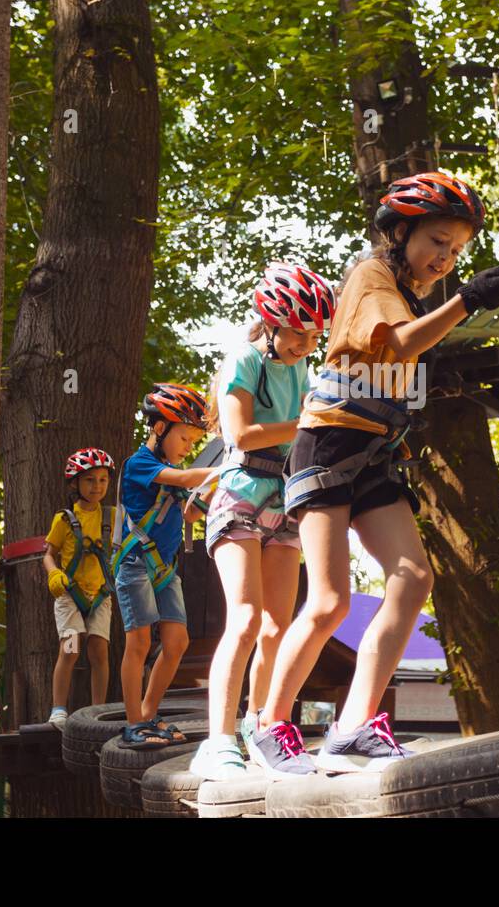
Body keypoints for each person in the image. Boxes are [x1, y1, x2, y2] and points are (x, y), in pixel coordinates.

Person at [250, 171, 499, 775]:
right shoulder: (372, 276)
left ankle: (352, 729)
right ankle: (269, 726)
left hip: (374, 452)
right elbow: (398, 346)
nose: (445, 258)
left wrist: (459, 314)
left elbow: (405, 359)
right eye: (437, 242)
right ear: (399, 232)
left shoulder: (410, 294)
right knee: (327, 602)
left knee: (414, 576)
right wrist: (469, 299)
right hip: (327, 445)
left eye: (456, 252)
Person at [189, 263, 337, 780]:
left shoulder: (302, 368)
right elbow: (242, 433)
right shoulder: (245, 358)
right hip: (241, 493)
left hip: (286, 498)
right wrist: (307, 420)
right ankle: (218, 739)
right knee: (247, 618)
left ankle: (260, 725)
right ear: (273, 323)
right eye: (299, 331)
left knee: (279, 625)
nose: (306, 343)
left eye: (314, 335)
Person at [112, 383, 215, 748]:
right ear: (160, 429)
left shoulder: (172, 469)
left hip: (164, 567)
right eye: (185, 438)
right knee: (138, 642)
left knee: (177, 642)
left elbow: (188, 509)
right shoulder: (140, 463)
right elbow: (186, 479)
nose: (189, 448)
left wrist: (206, 498)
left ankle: (148, 714)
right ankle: (133, 723)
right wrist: (224, 469)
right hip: (137, 562)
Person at [42, 448, 118, 728]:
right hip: (70, 595)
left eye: (102, 480)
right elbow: (48, 554)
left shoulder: (112, 517)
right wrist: (54, 575)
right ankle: (59, 709)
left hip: (100, 596)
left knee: (99, 650)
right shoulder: (64, 519)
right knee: (71, 649)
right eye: (89, 480)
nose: (97, 486)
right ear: (75, 483)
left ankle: (98, 710)